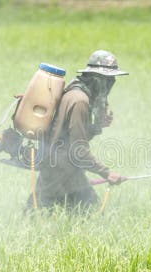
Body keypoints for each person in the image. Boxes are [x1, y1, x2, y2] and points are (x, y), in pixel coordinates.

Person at [27, 50, 128, 213]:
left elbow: (70, 137)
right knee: (39, 213)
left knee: (78, 212)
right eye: (108, 79)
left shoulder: (76, 93)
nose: (111, 84)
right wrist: (107, 173)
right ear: (97, 79)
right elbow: (78, 150)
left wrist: (96, 127)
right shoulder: (80, 101)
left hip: (63, 167)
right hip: (59, 170)